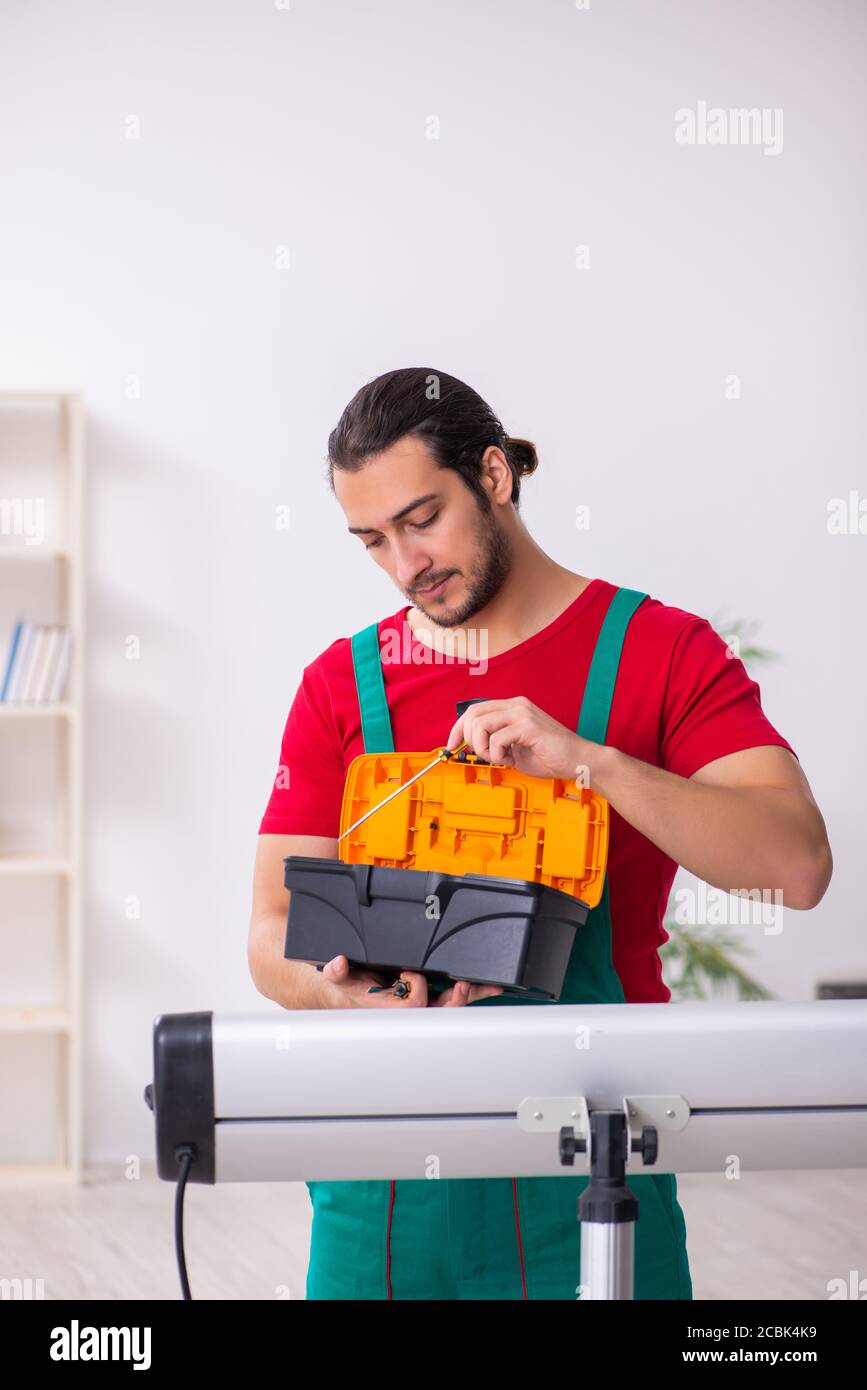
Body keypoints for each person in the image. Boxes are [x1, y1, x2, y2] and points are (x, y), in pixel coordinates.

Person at [248, 366, 833, 1300]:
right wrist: (339, 998)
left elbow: (796, 866)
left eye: (421, 519)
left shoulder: (660, 651)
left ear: (494, 474)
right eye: (372, 541)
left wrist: (587, 765)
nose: (405, 565)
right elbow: (272, 930)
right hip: (382, 1191)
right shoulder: (339, 686)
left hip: (593, 1180)